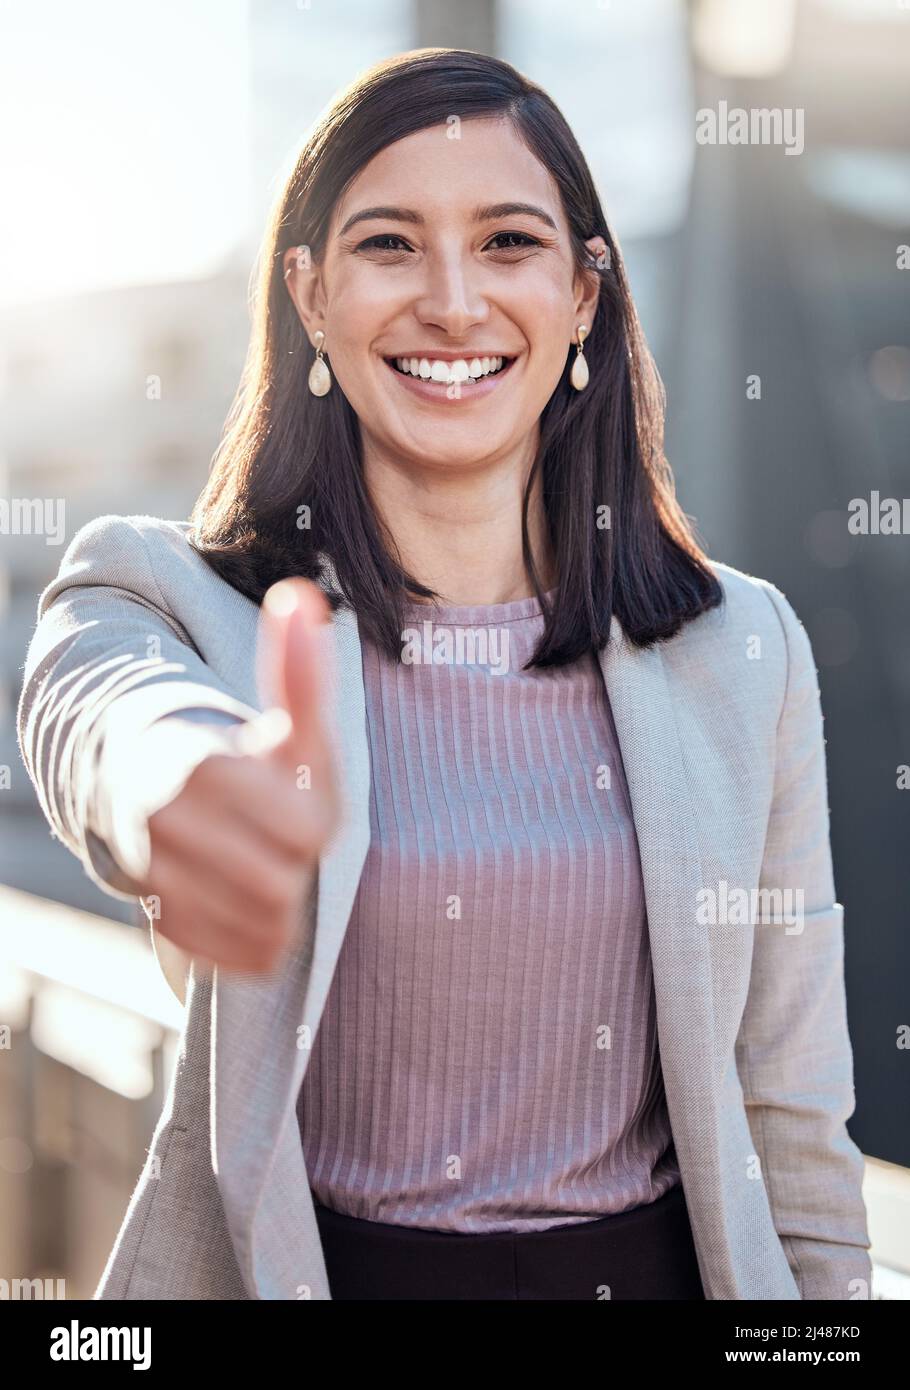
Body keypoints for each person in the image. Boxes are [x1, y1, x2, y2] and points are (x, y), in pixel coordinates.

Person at [17, 48, 872, 1301]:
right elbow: (98, 713)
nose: (455, 302)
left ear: (584, 294)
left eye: (510, 241)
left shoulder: (742, 647)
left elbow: (792, 1114)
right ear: (310, 293)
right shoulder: (178, 597)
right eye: (389, 245)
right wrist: (184, 785)